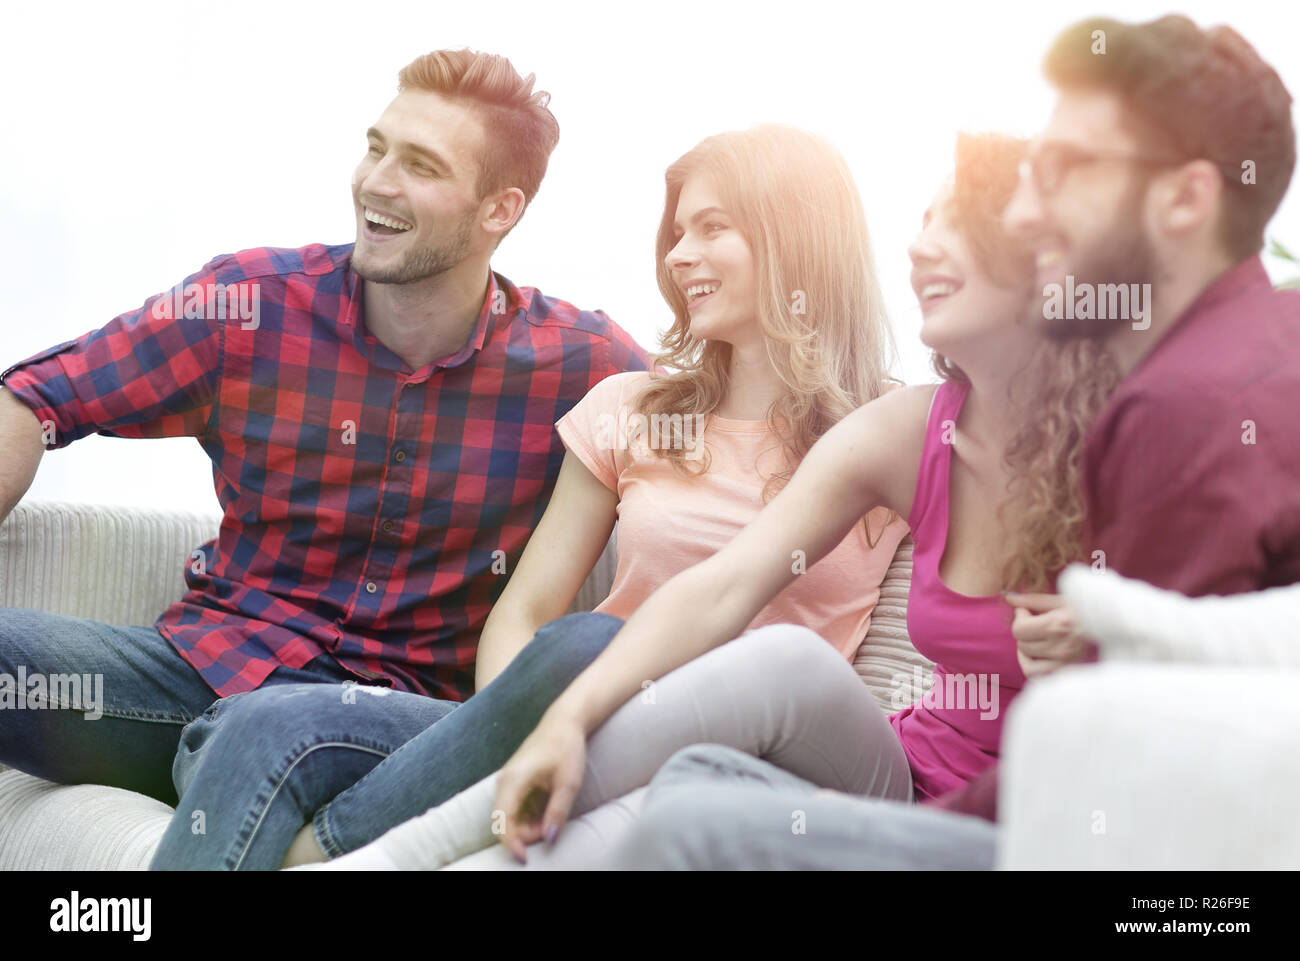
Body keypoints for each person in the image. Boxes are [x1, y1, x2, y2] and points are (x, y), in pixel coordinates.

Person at [306, 130, 1114, 871]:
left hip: (1015, 824)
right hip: (889, 774)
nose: (916, 245)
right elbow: (724, 584)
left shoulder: (1147, 446)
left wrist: (1131, 631)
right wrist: (565, 720)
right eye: (924, 219)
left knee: (668, 758)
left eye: (957, 227)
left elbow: (1228, 638)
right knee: (666, 729)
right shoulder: (907, 430)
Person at [616, 12, 1300, 869]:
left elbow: (1134, 763)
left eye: (1069, 173)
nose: (1037, 209)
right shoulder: (1228, 361)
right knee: (703, 773)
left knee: (694, 824)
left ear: (1188, 199)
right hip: (977, 786)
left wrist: (874, 816)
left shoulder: (1176, 407)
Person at [148, 124, 908, 870]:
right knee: (269, 721)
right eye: (677, 232)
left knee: (587, 646)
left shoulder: (892, 437)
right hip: (572, 711)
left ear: (796, 239)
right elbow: (526, 612)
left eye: (712, 228)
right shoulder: (631, 409)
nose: (679, 255)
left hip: (728, 753)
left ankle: (337, 848)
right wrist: (514, 724)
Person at [0, 48, 647, 808]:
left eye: (420, 165)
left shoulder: (585, 366)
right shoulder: (248, 306)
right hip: (201, 675)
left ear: (498, 209)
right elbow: (35, 399)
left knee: (266, 729)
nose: (376, 181)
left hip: (398, 731)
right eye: (376, 147)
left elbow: (721, 448)